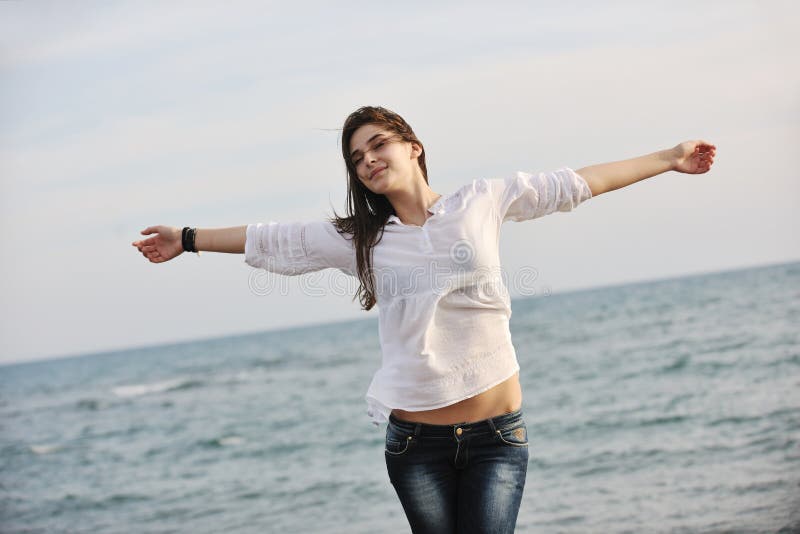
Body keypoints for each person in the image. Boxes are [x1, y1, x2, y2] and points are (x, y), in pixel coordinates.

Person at [132, 106, 716, 533]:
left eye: (378, 145)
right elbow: (270, 239)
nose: (368, 161)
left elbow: (575, 184)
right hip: (415, 445)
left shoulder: (483, 199)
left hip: (497, 436)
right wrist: (187, 239)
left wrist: (668, 159)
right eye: (356, 159)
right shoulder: (360, 238)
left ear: (413, 146)